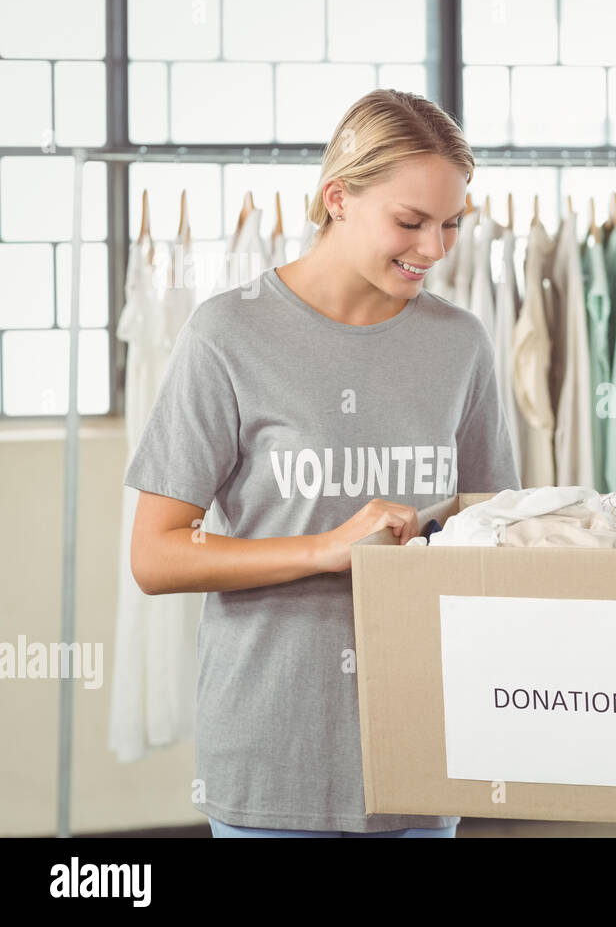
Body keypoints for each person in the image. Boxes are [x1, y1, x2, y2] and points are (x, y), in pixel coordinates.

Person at [125, 89, 519, 837]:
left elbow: (496, 533)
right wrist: (324, 549)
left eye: (451, 226)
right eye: (409, 222)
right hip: (271, 756)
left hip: (422, 753)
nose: (433, 249)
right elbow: (155, 555)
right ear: (337, 198)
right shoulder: (228, 334)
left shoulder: (460, 344)